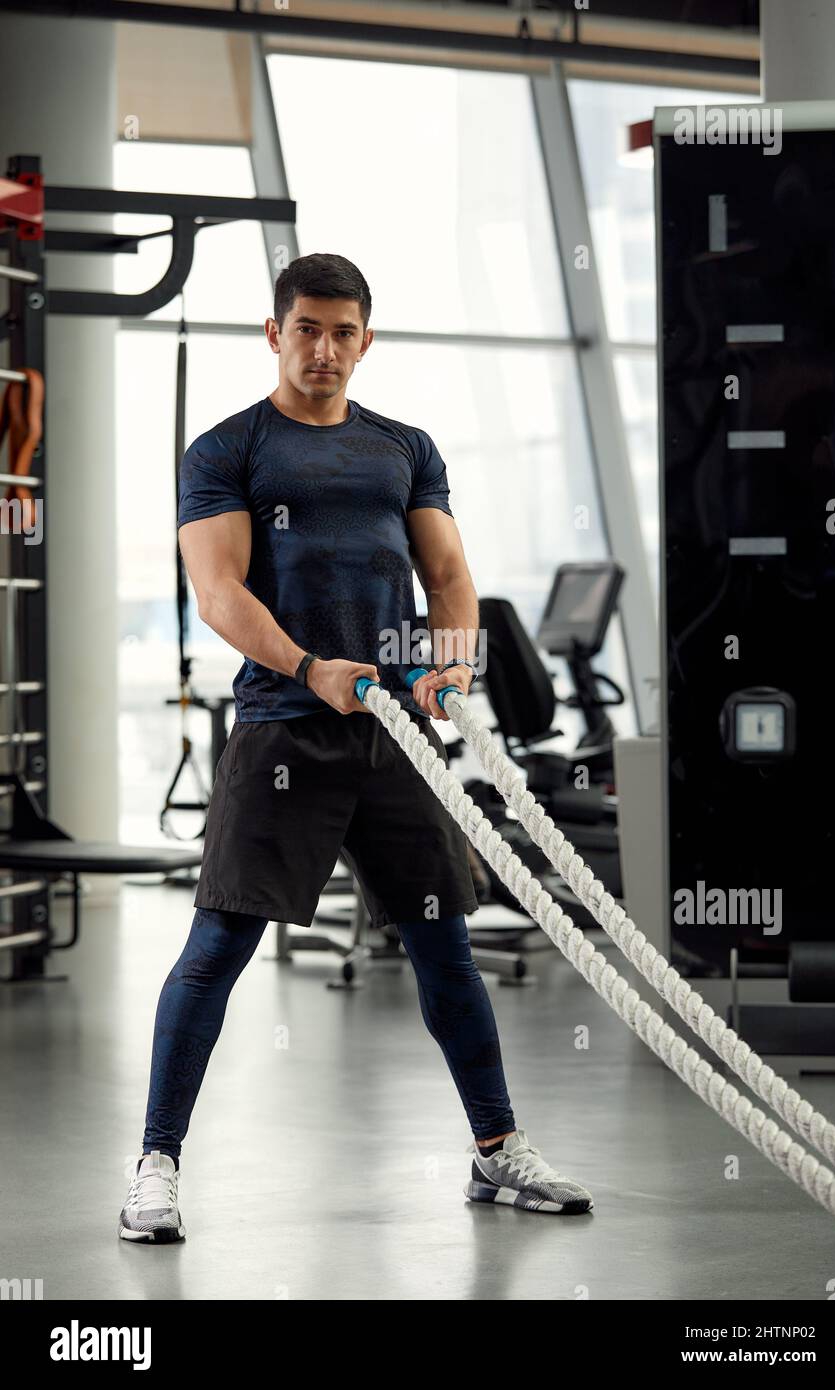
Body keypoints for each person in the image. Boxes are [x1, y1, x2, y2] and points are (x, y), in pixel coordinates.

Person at [118, 253, 593, 1243]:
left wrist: (450, 671)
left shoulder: (403, 448)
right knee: (216, 949)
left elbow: (450, 572)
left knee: (443, 949)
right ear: (274, 332)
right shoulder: (227, 450)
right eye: (306, 329)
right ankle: (156, 1163)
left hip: (394, 739)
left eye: (342, 332)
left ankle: (495, 1150)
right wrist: (308, 666)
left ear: (363, 341)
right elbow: (219, 591)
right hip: (283, 730)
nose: (323, 349)